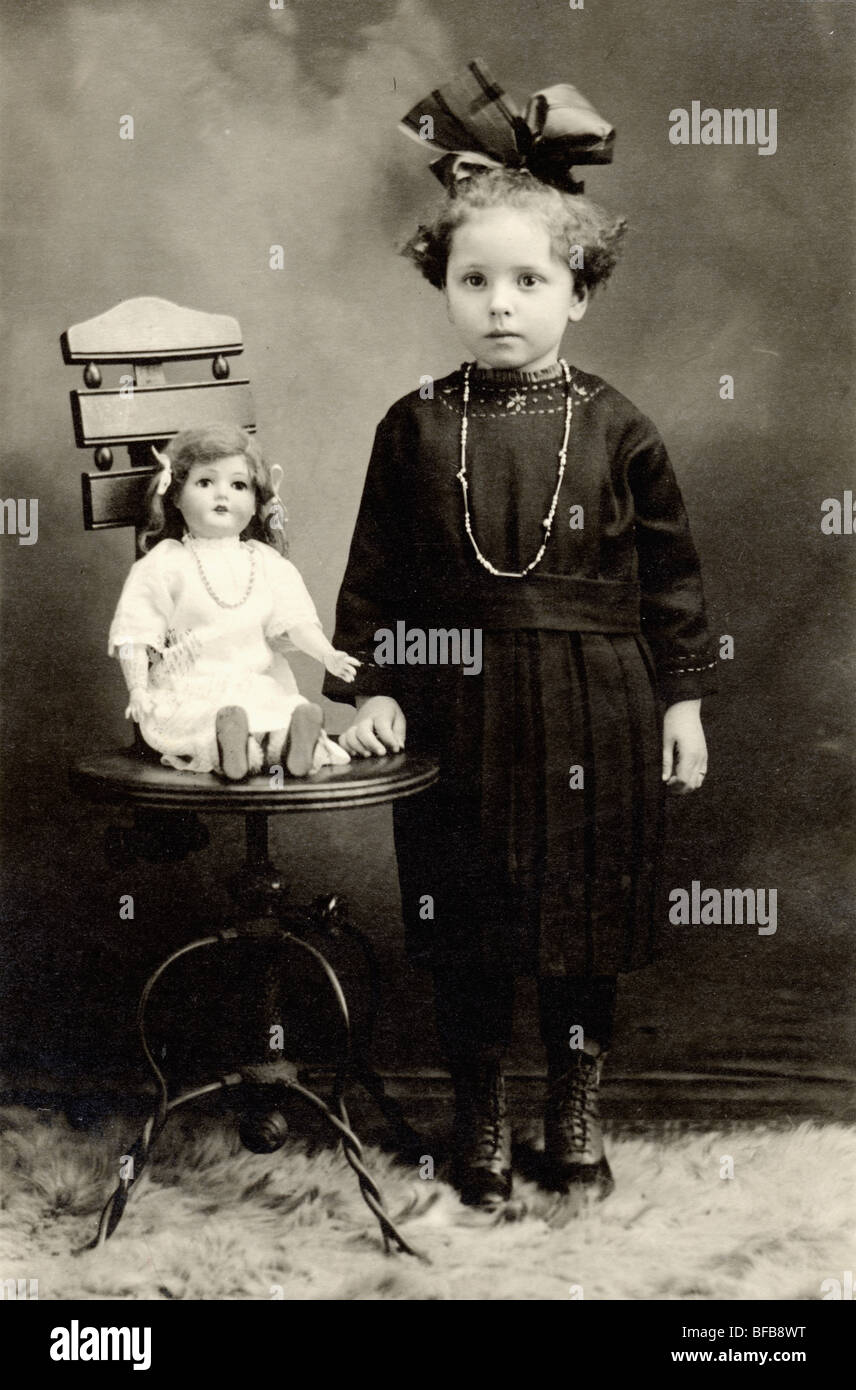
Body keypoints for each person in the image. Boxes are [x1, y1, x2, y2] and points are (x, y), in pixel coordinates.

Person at [322, 64, 717, 1208]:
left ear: (577, 293)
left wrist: (683, 700)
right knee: (468, 918)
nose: (501, 303)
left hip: (600, 698)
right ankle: (482, 1118)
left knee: (583, 919)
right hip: (457, 703)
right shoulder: (414, 425)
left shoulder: (619, 426)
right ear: (443, 287)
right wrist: (371, 687)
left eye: (529, 280)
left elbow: (672, 577)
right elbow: (372, 574)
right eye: (474, 279)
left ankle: (574, 1114)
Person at [109, 425, 358, 780]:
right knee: (207, 721)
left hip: (255, 684)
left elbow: (296, 621)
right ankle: (231, 747)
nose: (222, 494)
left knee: (281, 712)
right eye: (205, 482)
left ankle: (289, 745)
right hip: (190, 688)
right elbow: (136, 630)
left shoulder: (266, 562)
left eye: (238, 485)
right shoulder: (167, 563)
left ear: (256, 502)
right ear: (176, 496)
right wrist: (137, 689)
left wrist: (327, 655)